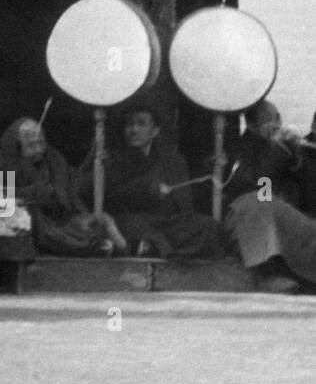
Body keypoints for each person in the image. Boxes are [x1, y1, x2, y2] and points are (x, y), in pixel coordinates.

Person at [79, 103, 223, 258]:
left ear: (155, 130)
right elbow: (97, 191)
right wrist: (147, 189)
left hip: (169, 224)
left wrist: (210, 169)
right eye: (129, 125)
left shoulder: (173, 161)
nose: (134, 130)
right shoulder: (115, 159)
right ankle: (156, 248)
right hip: (137, 222)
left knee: (208, 225)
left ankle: (158, 249)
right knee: (128, 225)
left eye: (141, 124)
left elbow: (187, 197)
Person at [0, 116, 126, 256]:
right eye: (31, 145)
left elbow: (73, 182)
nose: (38, 150)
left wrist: (94, 159)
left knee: (94, 222)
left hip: (60, 222)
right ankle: (89, 248)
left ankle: (114, 249)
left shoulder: (54, 160)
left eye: (41, 143)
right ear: (17, 145)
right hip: (29, 226)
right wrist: (30, 193)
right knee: (29, 216)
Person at [223, 100, 316, 294]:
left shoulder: (292, 151)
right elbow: (261, 188)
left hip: (292, 225)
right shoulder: (241, 149)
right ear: (251, 125)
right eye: (271, 120)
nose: (278, 125)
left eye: (278, 119)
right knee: (262, 204)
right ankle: (267, 275)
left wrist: (300, 161)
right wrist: (276, 152)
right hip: (250, 218)